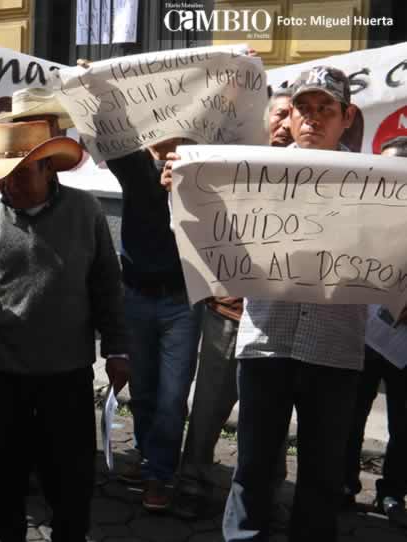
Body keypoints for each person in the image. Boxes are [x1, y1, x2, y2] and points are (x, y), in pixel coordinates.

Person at [0, 120, 129, 542]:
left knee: (70, 476)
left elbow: (106, 285)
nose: (9, 185)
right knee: (0, 473)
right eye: (3, 176)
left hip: (67, 373)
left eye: (21, 173)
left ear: (49, 169)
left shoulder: (86, 212)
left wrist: (118, 349)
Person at [213, 66, 365, 542]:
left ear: (347, 117)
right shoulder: (253, 174)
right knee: (254, 466)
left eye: (326, 109)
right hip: (266, 343)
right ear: (290, 114)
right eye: (303, 108)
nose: (312, 119)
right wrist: (183, 187)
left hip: (334, 348)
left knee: (321, 473)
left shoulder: (378, 185)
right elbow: (212, 229)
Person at [175, 86, 295, 519]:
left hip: (280, 319)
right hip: (227, 311)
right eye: (278, 114)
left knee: (273, 416)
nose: (285, 123)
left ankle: (267, 494)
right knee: (209, 405)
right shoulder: (233, 165)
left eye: (292, 115)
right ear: (263, 120)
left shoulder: (315, 173)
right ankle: (192, 482)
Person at [104, 132, 203, 511]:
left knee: (173, 394)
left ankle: (160, 475)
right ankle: (150, 460)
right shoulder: (133, 166)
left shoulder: (201, 163)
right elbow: (106, 134)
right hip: (136, 298)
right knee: (143, 388)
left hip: (183, 301)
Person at [341, 134, 407, 528]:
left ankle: (393, 492)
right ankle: (344, 483)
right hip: (360, 332)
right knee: (349, 415)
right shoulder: (359, 211)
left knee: (404, 424)